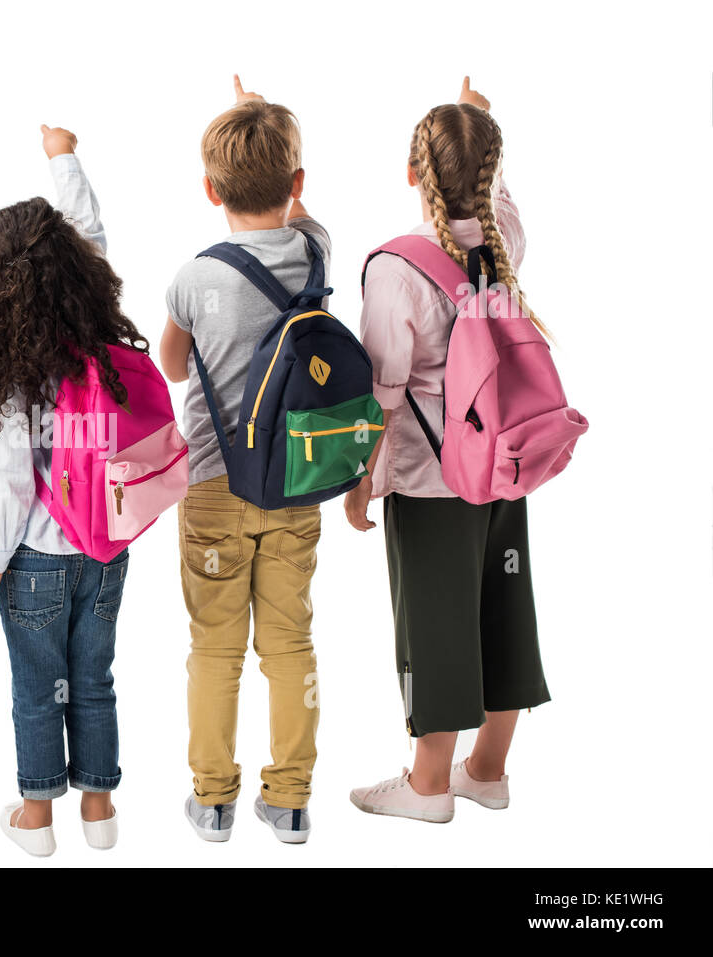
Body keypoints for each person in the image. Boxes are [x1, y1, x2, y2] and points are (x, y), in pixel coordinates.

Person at [345, 78, 551, 823]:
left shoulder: (396, 269)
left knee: (434, 620)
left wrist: (363, 482)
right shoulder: (505, 243)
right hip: (506, 466)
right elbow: (500, 203)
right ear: (491, 179)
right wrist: (483, 123)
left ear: (412, 174)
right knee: (504, 609)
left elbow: (384, 390)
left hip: (431, 481)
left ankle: (429, 783)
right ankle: (487, 769)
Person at [0, 125, 140, 857]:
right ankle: (99, 807)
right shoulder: (95, 328)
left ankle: (37, 815)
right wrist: (64, 156)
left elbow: (7, 478)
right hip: (107, 545)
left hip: (34, 558)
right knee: (94, 677)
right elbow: (88, 231)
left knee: (38, 688)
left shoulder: (9, 371)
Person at [159, 76, 330, 844]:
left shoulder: (196, 277)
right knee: (290, 643)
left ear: (208, 189)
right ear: (298, 183)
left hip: (215, 485)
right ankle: (290, 801)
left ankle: (213, 799)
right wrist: (264, 119)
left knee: (215, 648)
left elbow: (170, 365)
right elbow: (305, 214)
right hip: (296, 479)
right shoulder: (313, 250)